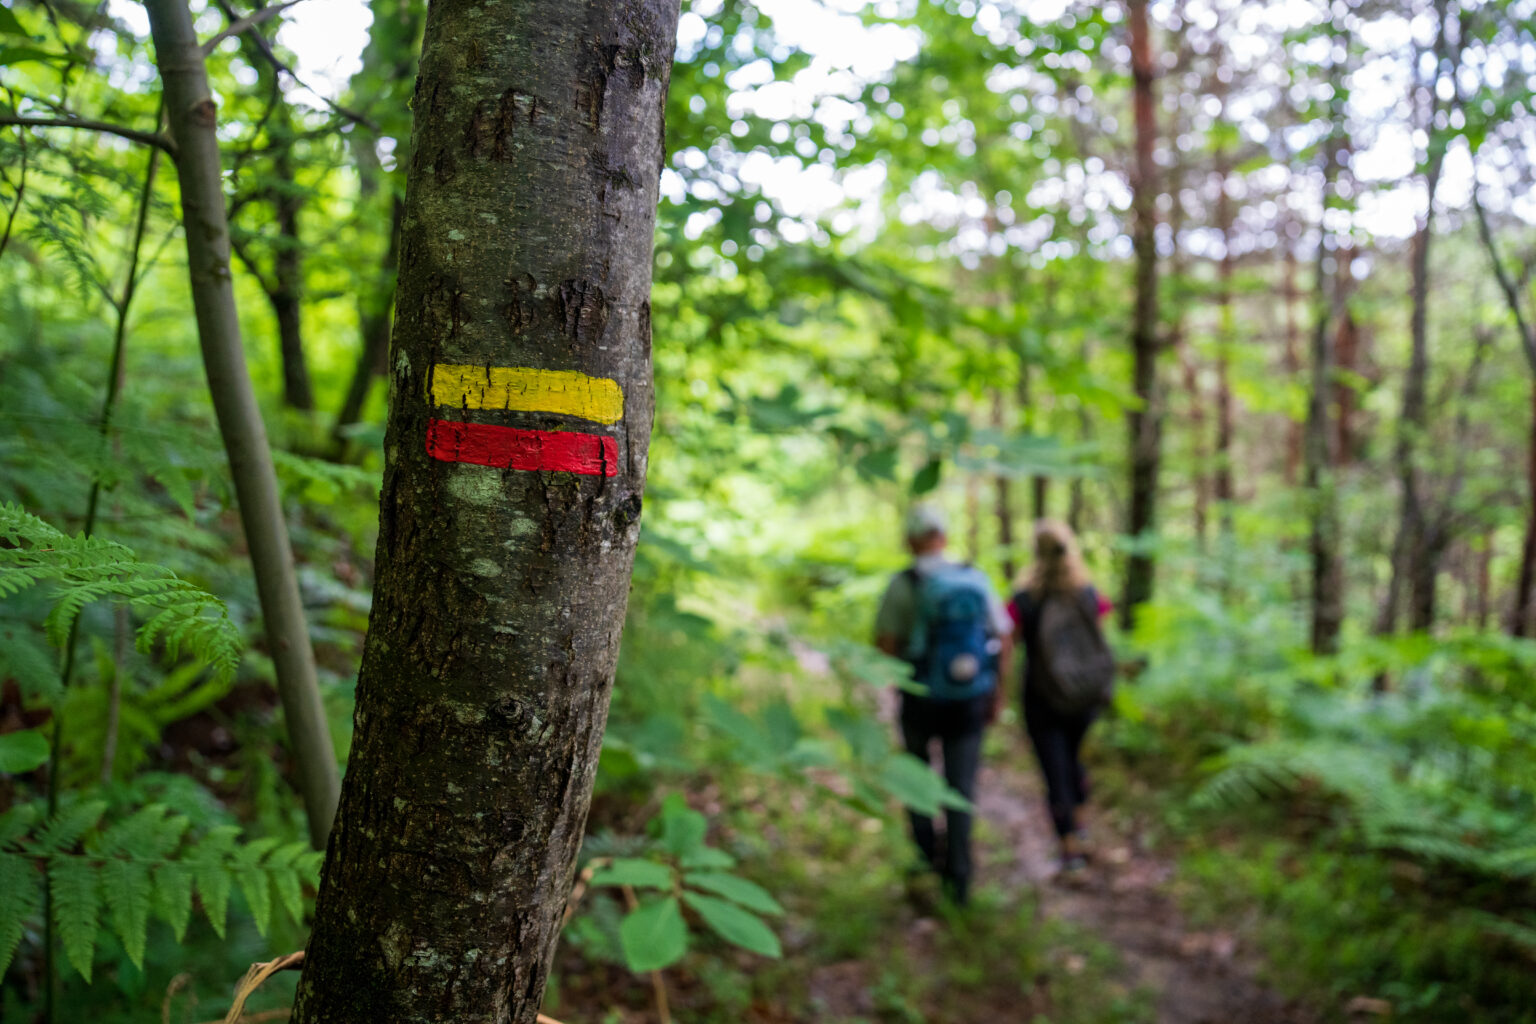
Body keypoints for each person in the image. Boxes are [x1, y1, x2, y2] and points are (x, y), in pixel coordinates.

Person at [874, 504, 1013, 905]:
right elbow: (1003, 638)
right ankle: (960, 878)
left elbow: (885, 646)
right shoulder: (974, 577)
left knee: (916, 783)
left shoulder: (904, 584)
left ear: (910, 540)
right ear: (944, 537)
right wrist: (997, 693)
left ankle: (923, 867)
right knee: (961, 787)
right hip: (969, 701)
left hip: (919, 699)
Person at [1009, 519, 1112, 874]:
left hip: (1041, 698)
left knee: (1054, 770)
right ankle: (1079, 827)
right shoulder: (1088, 594)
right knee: (1072, 760)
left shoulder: (1025, 600)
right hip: (1084, 696)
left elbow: (1010, 643)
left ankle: (1069, 845)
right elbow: (1100, 639)